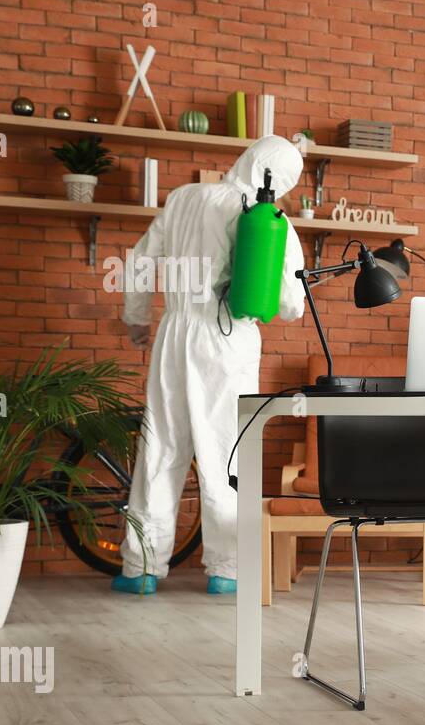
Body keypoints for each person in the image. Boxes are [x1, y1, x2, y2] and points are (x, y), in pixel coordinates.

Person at [114, 136, 306, 595]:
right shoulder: (268, 218)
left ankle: (141, 568)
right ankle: (227, 569)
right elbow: (290, 303)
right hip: (227, 338)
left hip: (174, 332)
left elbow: (140, 261)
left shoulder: (183, 197)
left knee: (161, 446)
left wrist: (136, 320)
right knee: (226, 449)